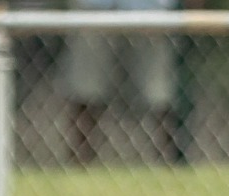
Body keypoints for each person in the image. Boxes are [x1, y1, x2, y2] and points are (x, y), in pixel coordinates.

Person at [61, 0, 183, 165]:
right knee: (86, 91)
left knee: (158, 94)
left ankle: (167, 165)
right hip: (95, 9)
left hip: (150, 9)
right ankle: (79, 165)